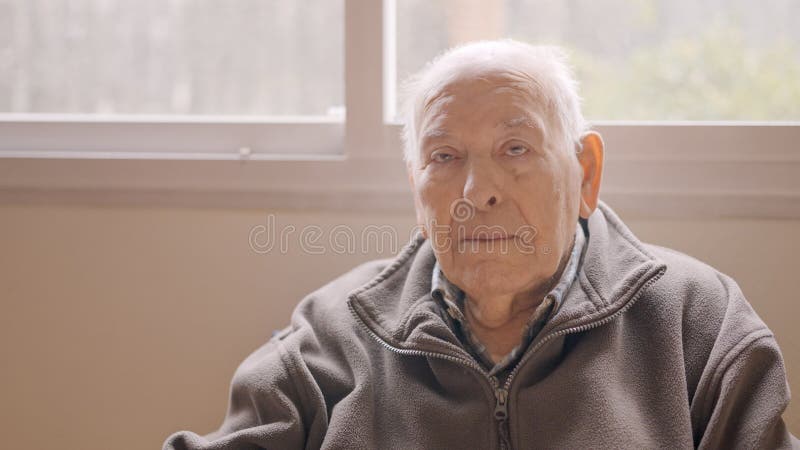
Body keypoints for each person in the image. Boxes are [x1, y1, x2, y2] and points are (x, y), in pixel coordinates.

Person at [164, 40, 798, 449]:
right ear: (416, 187)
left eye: (515, 150)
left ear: (585, 172)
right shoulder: (330, 335)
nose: (477, 191)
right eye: (445, 156)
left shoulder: (700, 325)